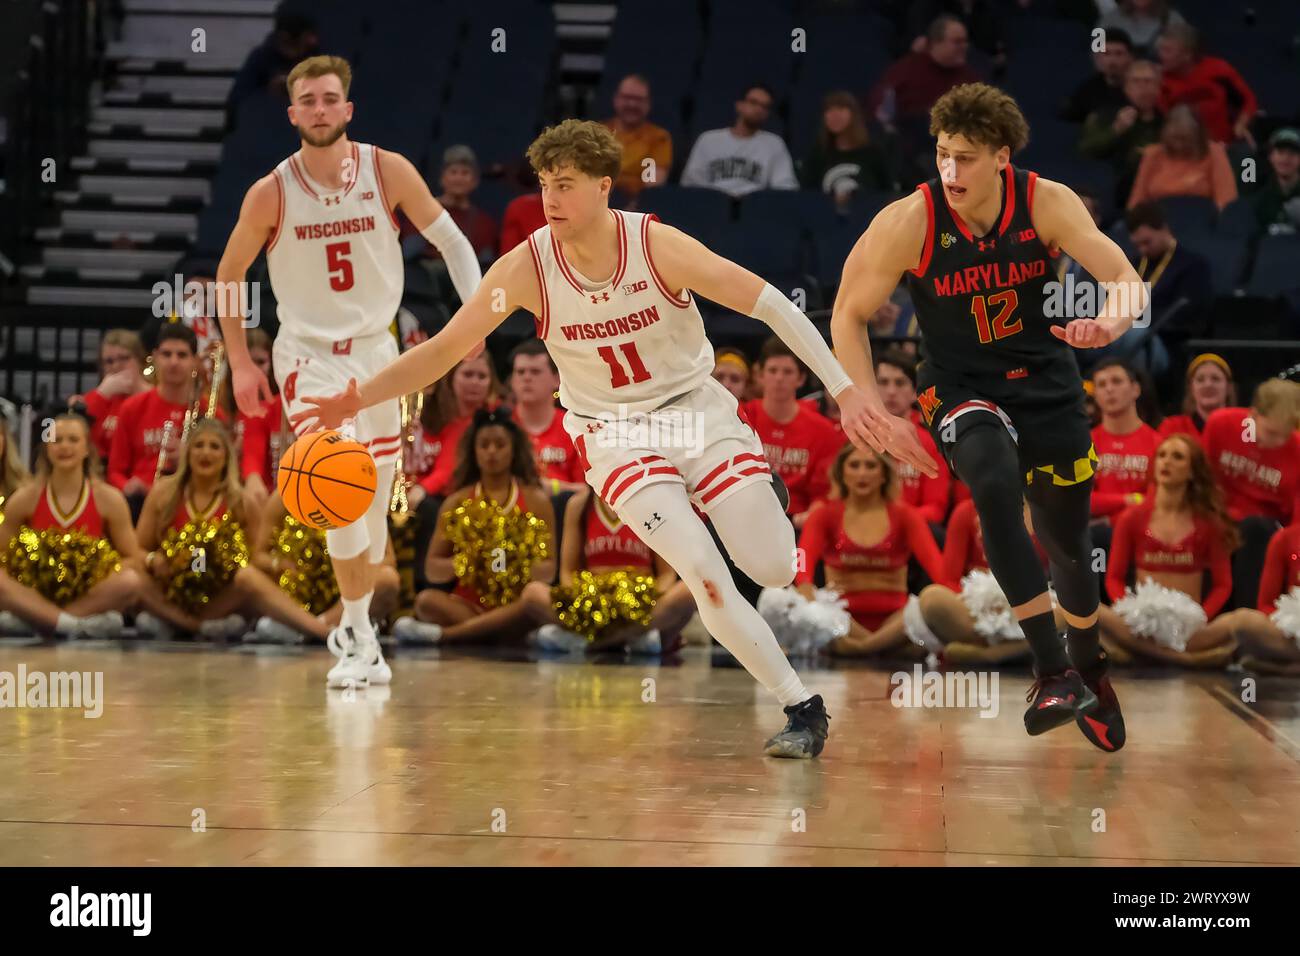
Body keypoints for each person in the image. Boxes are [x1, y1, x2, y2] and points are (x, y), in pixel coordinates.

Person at [290, 118, 937, 759]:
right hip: (614, 432)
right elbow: (444, 348)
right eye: (544, 184)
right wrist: (356, 396)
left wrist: (846, 389)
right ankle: (802, 705)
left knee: (769, 566)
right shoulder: (525, 268)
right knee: (704, 576)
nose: (550, 200)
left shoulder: (656, 246)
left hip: (693, 411)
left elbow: (770, 304)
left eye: (565, 185)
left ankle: (751, 491)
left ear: (605, 186)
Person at [829, 81, 1150, 753]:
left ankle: (1088, 664)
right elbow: (849, 314)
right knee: (994, 482)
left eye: (967, 158)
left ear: (1002, 156)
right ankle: (1051, 667)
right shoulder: (910, 220)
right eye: (943, 154)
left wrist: (1108, 323)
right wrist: (860, 399)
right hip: (957, 383)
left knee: (1067, 541)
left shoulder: (1045, 201)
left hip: (1046, 383)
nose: (950, 172)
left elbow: (1124, 278)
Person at [215, 55, 484, 689]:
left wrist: (472, 319)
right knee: (333, 481)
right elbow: (228, 277)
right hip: (306, 353)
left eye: (329, 98)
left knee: (369, 505)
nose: (318, 109)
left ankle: (359, 625)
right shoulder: (270, 191)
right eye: (306, 100)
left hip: (376, 352)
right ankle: (356, 638)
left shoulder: (387, 170)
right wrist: (240, 360)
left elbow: (453, 242)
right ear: (292, 113)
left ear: (347, 108)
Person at [133, 419, 332, 643]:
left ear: (227, 456)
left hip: (223, 596)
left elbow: (257, 559)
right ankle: (193, 624)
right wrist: (153, 560)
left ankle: (183, 624)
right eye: (199, 445)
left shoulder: (242, 501)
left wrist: (231, 564)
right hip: (171, 592)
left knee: (248, 578)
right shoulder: (163, 493)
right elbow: (136, 551)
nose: (205, 453)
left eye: (214, 446)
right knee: (131, 578)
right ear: (188, 453)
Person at [393, 409, 557, 644]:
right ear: (474, 451)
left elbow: (550, 568)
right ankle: (495, 633)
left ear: (514, 451)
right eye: (484, 445)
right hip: (467, 606)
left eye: (500, 445)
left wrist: (516, 564)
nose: (491, 451)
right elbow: (432, 568)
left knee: (535, 599)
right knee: (426, 600)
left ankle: (446, 636)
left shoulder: (536, 500)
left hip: (517, 604)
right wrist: (470, 562)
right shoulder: (456, 501)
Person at [775, 443, 949, 658]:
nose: (862, 474)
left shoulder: (906, 515)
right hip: (842, 620)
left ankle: (861, 649)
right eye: (854, 465)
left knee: (931, 603)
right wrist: (805, 585)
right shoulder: (824, 515)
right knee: (777, 600)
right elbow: (800, 559)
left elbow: (939, 570)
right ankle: (879, 648)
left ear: (884, 474)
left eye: (870, 466)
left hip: (896, 622)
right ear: (842, 473)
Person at [1100, 434, 1237, 667]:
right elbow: (1113, 578)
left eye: (1177, 457)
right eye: (1162, 455)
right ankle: (1186, 660)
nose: (1166, 462)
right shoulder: (1131, 518)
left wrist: (1201, 618)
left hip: (1188, 628)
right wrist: (1130, 612)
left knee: (1242, 622)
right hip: (1142, 625)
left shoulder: (1209, 523)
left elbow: (1223, 584)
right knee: (1092, 612)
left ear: (1192, 471)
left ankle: (1142, 654)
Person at [0, 412, 140, 639]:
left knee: (131, 581)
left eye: (73, 440)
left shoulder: (109, 499)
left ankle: (45, 621)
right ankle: (75, 626)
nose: (64, 446)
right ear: (47, 449)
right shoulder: (25, 498)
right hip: (38, 593)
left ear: (87, 449)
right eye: (57, 440)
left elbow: (132, 558)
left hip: (89, 595)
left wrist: (99, 575)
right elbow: (1, 554)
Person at [526, 484, 696, 654]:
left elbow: (666, 574)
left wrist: (645, 603)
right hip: (592, 603)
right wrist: (584, 604)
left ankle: (588, 642)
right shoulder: (579, 505)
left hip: (640, 601)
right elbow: (568, 572)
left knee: (688, 592)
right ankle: (638, 639)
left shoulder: (651, 505)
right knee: (532, 594)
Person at [249, 488, 400, 644]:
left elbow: (388, 558)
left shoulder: (360, 492)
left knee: (387, 579)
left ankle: (311, 630)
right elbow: (258, 557)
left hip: (342, 597)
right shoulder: (286, 492)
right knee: (247, 577)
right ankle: (329, 634)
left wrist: (352, 567)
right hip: (296, 594)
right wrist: (279, 564)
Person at [1201, 379, 1300, 610]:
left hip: (1265, 531)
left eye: (1284, 436)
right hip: (1217, 516)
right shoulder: (1221, 424)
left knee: (1254, 528)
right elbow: (1202, 482)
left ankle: (1248, 619)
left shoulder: (1297, 448)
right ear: (1253, 414)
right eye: (1272, 433)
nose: (1277, 442)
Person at [107, 323, 208, 521]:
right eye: (166, 354)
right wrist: (127, 487)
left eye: (182, 355)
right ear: (155, 357)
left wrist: (188, 457)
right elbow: (115, 471)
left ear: (195, 361)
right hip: (139, 504)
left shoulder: (209, 412)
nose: (173, 362)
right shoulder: (132, 408)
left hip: (190, 504)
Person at [741, 338, 842, 530]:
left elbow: (824, 493)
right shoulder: (741, 418)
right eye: (772, 371)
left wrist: (811, 515)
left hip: (799, 523)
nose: (779, 378)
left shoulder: (824, 431)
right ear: (759, 375)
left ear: (801, 379)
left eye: (787, 372)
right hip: (746, 516)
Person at [680, 83, 798, 198]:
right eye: (753, 102)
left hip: (754, 210)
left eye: (765, 107)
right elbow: (691, 184)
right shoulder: (709, 139)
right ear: (739, 105)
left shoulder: (774, 143)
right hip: (712, 207)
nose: (758, 109)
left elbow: (785, 188)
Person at [1079, 59, 1163, 208]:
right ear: (1126, 87)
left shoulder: (1170, 124)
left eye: (1148, 81)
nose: (1143, 87)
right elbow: (1087, 151)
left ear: (1158, 87)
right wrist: (1117, 129)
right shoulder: (1104, 117)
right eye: (1136, 82)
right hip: (1116, 196)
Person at [1156, 21, 1257, 146]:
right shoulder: (1160, 80)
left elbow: (1249, 100)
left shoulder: (1218, 69)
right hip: (1186, 149)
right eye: (1160, 49)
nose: (1161, 56)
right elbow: (1164, 119)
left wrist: (1241, 125)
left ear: (1187, 54)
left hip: (1226, 145)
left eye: (1167, 51)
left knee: (1247, 158)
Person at [506, 338, 586, 493]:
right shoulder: (500, 426)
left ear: (557, 379)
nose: (527, 377)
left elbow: (586, 492)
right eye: (520, 372)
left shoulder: (574, 426)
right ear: (512, 380)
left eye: (535, 371)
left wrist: (550, 487)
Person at [1127, 105, 1237, 211]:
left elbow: (1226, 200)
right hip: (1159, 223)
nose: (1179, 145)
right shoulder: (1153, 154)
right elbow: (1137, 201)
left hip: (1199, 221)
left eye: (1184, 139)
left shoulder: (1214, 151)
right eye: (1174, 139)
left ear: (1197, 135)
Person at [1229, 517, 1300, 674]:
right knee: (1243, 621)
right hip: (1293, 631)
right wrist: (1287, 624)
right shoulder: (1286, 538)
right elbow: (1265, 605)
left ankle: (1287, 667)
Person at [800, 91, 895, 205]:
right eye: (829, 110)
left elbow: (888, 195)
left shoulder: (873, 153)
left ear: (853, 115)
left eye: (840, 109)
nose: (834, 115)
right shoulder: (818, 154)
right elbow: (807, 196)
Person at [77, 330, 150, 462]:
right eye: (109, 361)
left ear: (139, 359)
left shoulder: (153, 397)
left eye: (124, 358)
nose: (116, 366)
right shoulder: (96, 397)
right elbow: (82, 441)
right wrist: (101, 395)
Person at [603, 74, 672, 198]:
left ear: (648, 104)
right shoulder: (597, 133)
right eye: (627, 97)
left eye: (639, 99)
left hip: (635, 207)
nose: (632, 104)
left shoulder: (658, 138)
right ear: (616, 99)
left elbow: (652, 185)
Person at [1060, 27, 1135, 124]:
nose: (1112, 61)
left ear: (1130, 57)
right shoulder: (1088, 90)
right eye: (1106, 53)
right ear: (1098, 58)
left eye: (1119, 53)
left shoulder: (1141, 86)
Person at [1158, 352, 1235, 442]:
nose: (1208, 385)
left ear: (1229, 387)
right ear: (1191, 388)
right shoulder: (1172, 427)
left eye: (1215, 378)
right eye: (1200, 379)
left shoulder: (1243, 430)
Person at [1252, 127, 1300, 238]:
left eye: (1292, 153)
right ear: (1271, 157)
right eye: (1280, 152)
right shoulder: (1259, 201)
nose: (1285, 158)